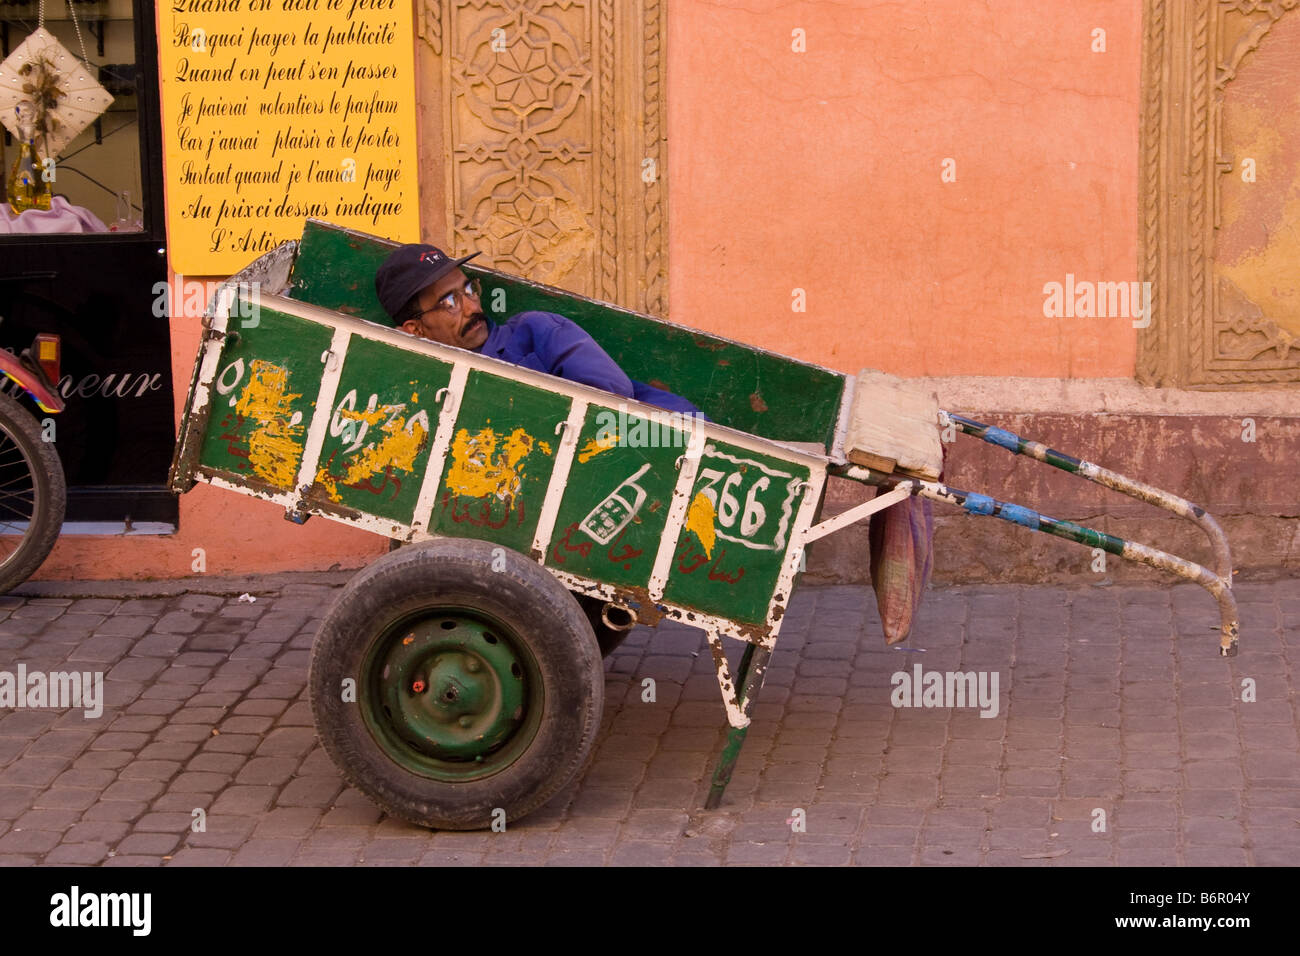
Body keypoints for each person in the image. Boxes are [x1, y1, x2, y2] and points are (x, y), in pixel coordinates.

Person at [374, 243, 706, 418]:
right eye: (450, 302)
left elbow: (614, 400)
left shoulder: (535, 331)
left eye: (469, 290)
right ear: (414, 330)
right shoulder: (430, 391)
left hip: (676, 442)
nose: (474, 307)